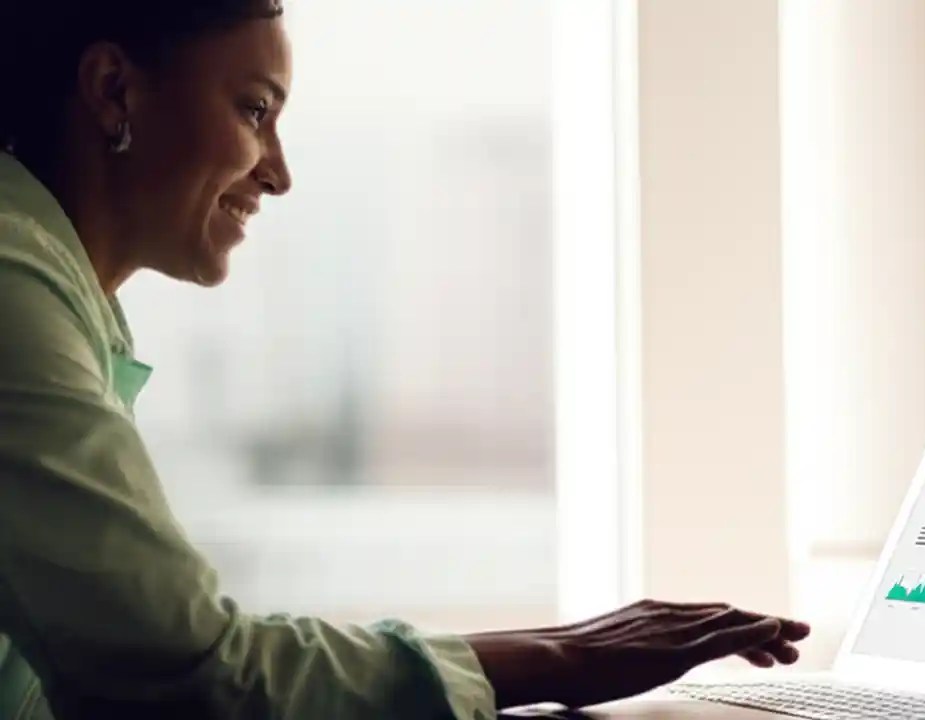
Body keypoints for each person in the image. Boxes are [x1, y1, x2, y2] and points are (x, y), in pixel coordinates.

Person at [0, 2, 809, 718]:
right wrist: (565, 658)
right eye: (254, 110)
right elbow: (192, 673)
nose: (277, 173)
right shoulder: (12, 284)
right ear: (113, 89)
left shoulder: (59, 296)